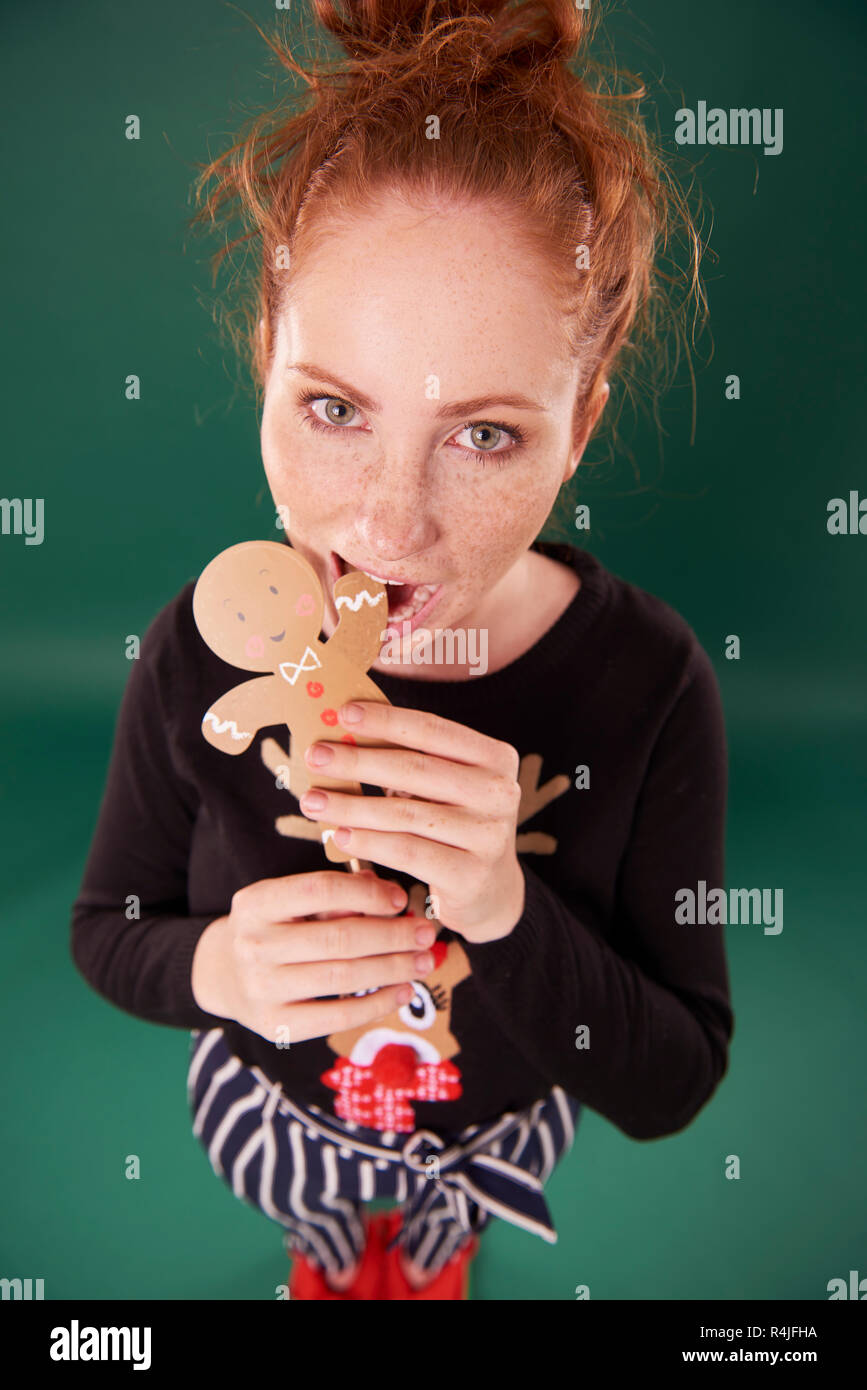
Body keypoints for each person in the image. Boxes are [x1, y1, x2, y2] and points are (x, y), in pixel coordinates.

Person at [71, 0, 733, 1299]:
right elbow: (108, 930)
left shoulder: (652, 686)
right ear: (265, 363)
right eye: (334, 409)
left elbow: (671, 1080)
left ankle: (437, 1254)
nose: (386, 528)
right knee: (315, 1227)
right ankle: (323, 1251)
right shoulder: (198, 651)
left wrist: (502, 907)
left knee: (437, 1245)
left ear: (581, 426)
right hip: (277, 1112)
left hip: (495, 1129)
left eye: (484, 435)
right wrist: (218, 968)